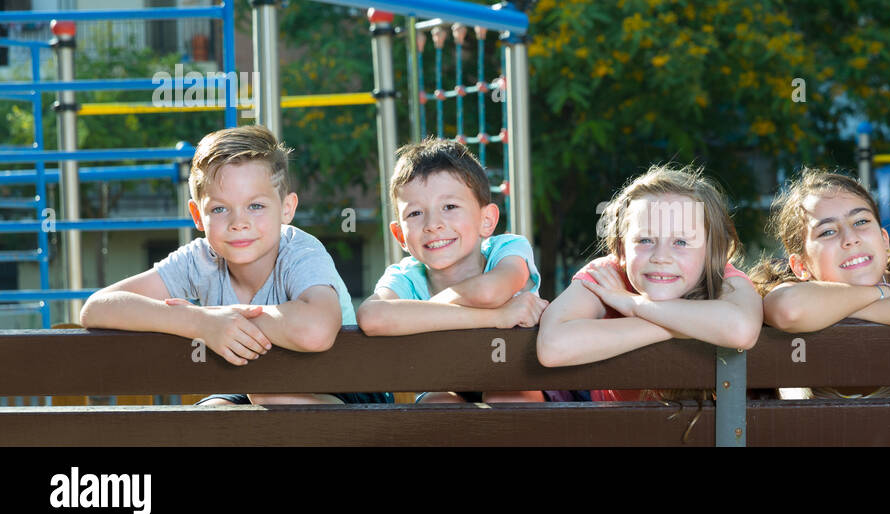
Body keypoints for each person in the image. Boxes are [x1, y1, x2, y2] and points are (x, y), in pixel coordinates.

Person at [80, 125, 389, 405]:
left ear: (287, 208)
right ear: (197, 215)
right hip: (253, 385)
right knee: (214, 415)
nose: (239, 222)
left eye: (255, 206)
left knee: (273, 396)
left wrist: (226, 320)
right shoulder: (200, 260)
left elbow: (316, 331)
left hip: (346, 386)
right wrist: (200, 323)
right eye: (219, 209)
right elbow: (97, 307)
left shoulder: (299, 251)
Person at [536, 164, 762, 403]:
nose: (661, 257)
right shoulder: (607, 277)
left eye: (681, 242)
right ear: (621, 248)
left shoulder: (723, 277)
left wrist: (635, 305)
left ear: (711, 252)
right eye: (645, 239)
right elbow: (552, 347)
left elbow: (741, 330)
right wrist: (678, 326)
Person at [751, 168, 890, 399]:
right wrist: (880, 294)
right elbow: (788, 309)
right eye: (828, 231)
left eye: (861, 221)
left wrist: (858, 303)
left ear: (884, 242)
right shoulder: (796, 294)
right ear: (801, 266)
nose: (851, 238)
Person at [356, 138, 547, 404]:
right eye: (415, 214)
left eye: (449, 207)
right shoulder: (406, 276)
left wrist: (419, 316)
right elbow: (372, 317)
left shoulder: (507, 249)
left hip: (513, 374)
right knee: (437, 406)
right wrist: (499, 317)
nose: (433, 224)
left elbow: (489, 291)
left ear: (487, 220)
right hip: (441, 381)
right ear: (400, 235)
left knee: (510, 398)